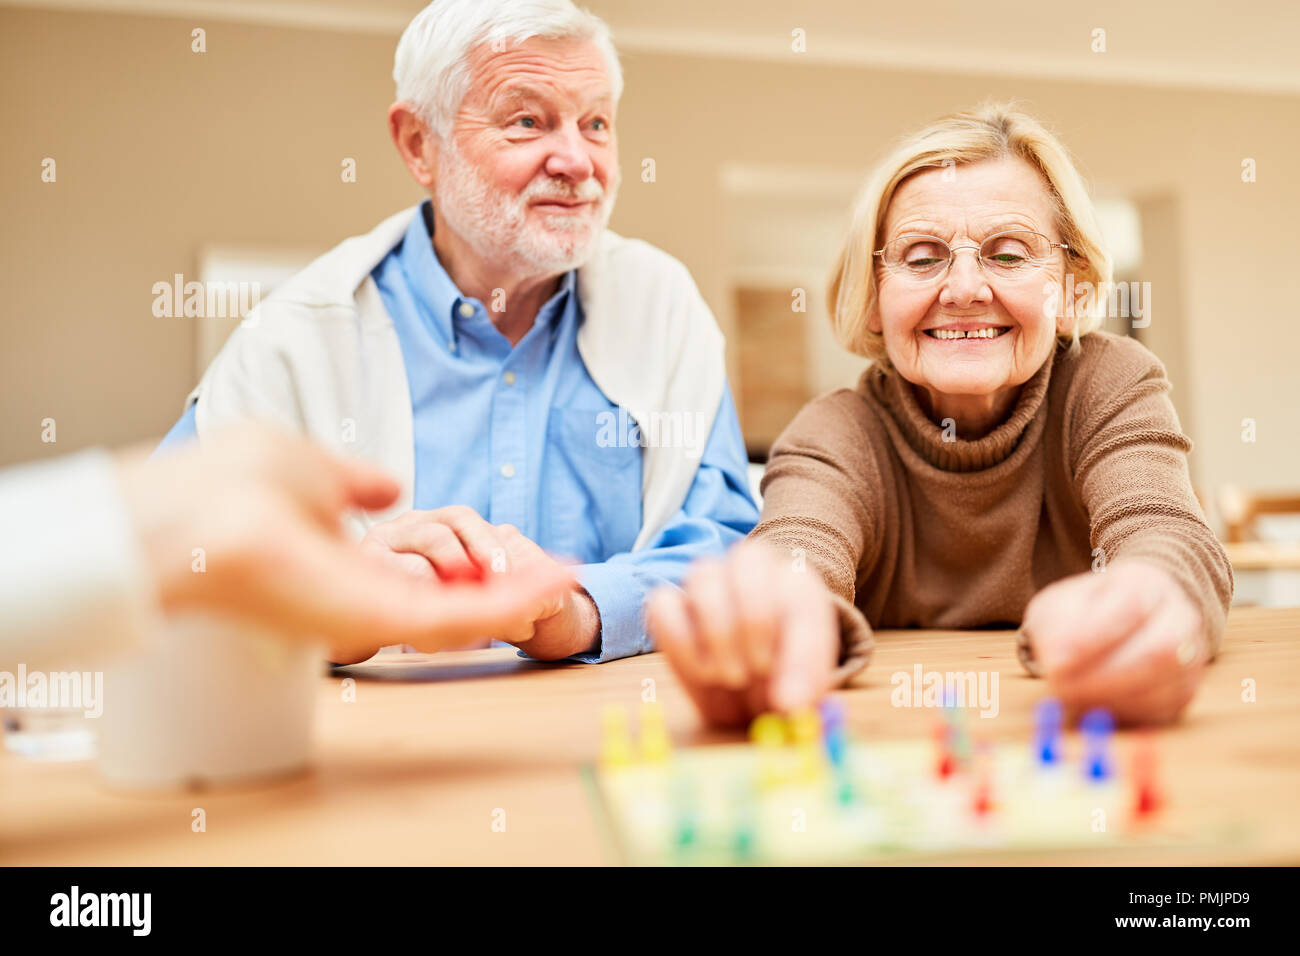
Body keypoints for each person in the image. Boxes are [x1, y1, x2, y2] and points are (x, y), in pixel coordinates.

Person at [158, 0, 757, 666]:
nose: (577, 161)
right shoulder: (294, 336)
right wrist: (334, 607)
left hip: (614, 722)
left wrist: (582, 610)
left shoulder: (665, 309)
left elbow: (725, 543)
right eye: (527, 121)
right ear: (420, 144)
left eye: (595, 123)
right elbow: (168, 561)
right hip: (371, 731)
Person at [648, 104, 1233, 728]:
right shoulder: (836, 432)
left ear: (1069, 290)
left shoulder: (1109, 381)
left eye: (1009, 254)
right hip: (896, 739)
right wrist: (772, 616)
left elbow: (1164, 533)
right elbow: (798, 550)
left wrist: (1155, 596)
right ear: (873, 298)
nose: (964, 290)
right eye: (923, 256)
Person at [0, 423, 571, 668]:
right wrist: (321, 634)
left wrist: (580, 614)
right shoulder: (278, 341)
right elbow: (144, 625)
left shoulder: (640, 308)